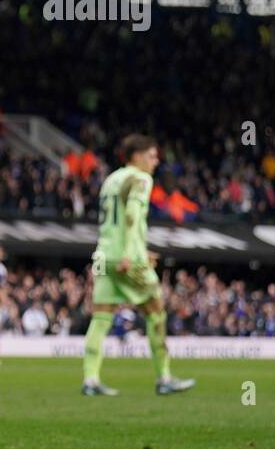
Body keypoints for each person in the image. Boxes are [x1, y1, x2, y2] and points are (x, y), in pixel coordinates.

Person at [82, 134, 195, 396]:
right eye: (151, 155)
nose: (156, 161)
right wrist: (132, 254)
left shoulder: (111, 179)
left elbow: (115, 221)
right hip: (126, 257)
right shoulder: (140, 179)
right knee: (156, 313)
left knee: (100, 319)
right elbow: (132, 216)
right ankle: (164, 377)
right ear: (136, 155)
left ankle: (90, 380)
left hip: (103, 255)